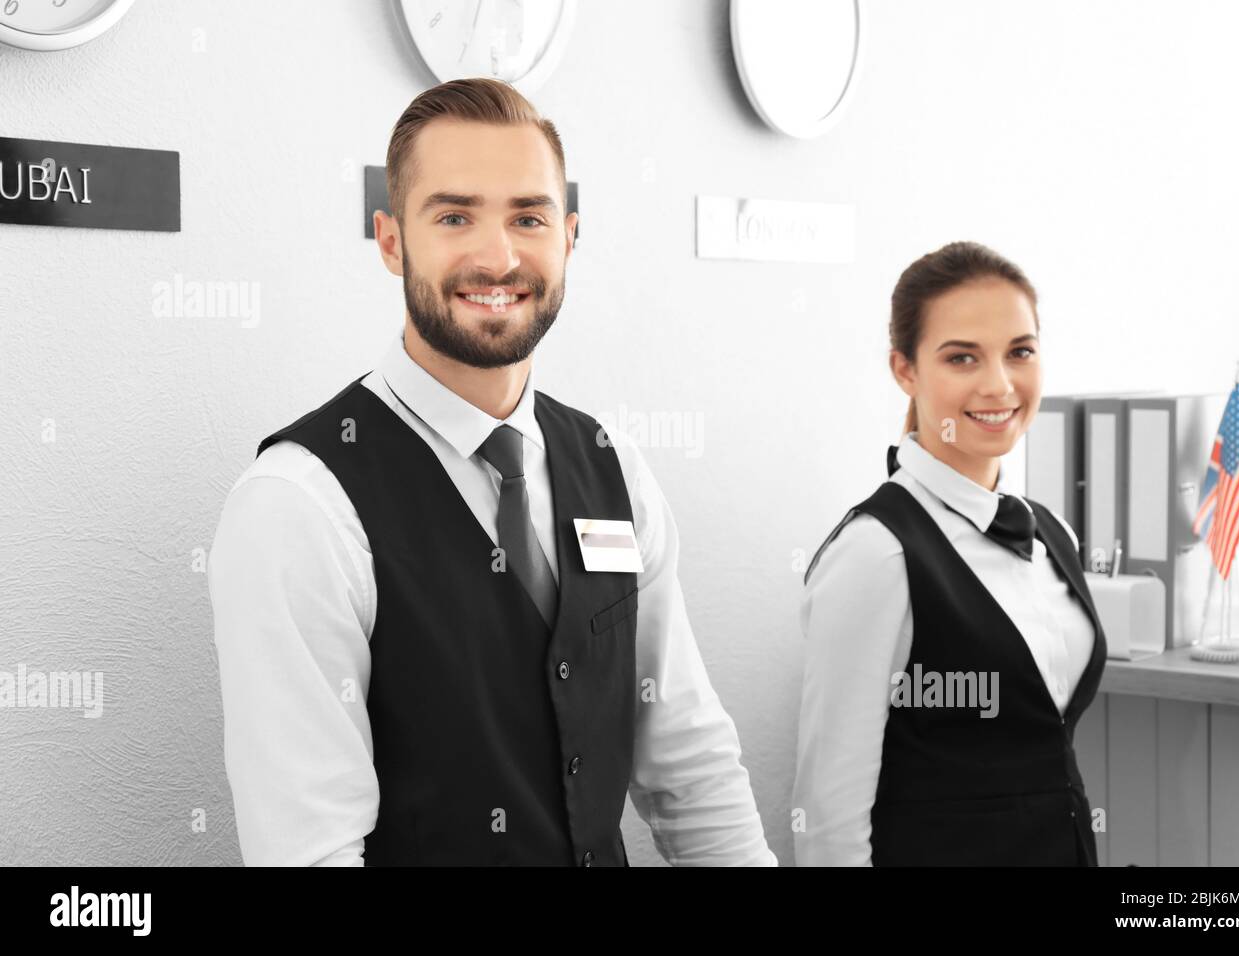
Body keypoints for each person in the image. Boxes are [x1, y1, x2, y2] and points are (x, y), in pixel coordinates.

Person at [209, 78, 774, 867]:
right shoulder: (297, 506)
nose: (498, 255)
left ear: (569, 236)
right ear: (391, 240)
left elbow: (690, 761)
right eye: (454, 215)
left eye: (528, 217)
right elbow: (310, 850)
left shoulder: (615, 469)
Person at [793, 241, 1107, 866]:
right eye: (962, 357)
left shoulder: (1054, 534)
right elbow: (828, 816)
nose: (999, 384)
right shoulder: (876, 554)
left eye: (1020, 351)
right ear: (905, 370)